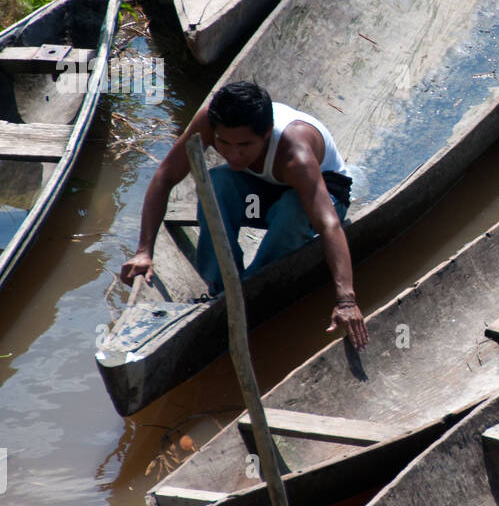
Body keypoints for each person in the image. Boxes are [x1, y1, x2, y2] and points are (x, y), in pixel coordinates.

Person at [119, 81, 368, 349]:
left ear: (267, 133)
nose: (232, 154)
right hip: (263, 196)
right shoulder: (208, 121)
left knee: (291, 210)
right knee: (215, 182)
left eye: (245, 145)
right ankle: (221, 287)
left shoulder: (295, 153)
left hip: (323, 197)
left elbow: (329, 225)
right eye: (223, 143)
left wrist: (346, 301)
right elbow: (165, 177)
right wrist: (145, 250)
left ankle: (255, 288)